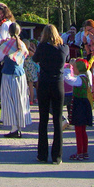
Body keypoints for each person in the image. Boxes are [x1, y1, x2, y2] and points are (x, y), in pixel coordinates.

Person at [33, 23, 66, 165]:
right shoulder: (64, 48)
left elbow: (35, 59)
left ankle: (42, 154)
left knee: (43, 119)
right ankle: (57, 156)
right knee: (57, 120)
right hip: (58, 83)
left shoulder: (42, 48)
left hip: (44, 83)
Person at [0, 21, 31, 139]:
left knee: (9, 100)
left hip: (9, 74)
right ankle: (19, 127)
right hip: (20, 75)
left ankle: (14, 128)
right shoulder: (22, 44)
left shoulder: (8, 44)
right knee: (20, 99)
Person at [65, 58, 93, 161]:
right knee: (83, 131)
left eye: (75, 67)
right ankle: (84, 152)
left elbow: (68, 79)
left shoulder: (79, 79)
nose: (74, 69)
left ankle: (79, 152)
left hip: (79, 105)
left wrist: (68, 69)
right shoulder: (85, 77)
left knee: (79, 131)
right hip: (84, 105)